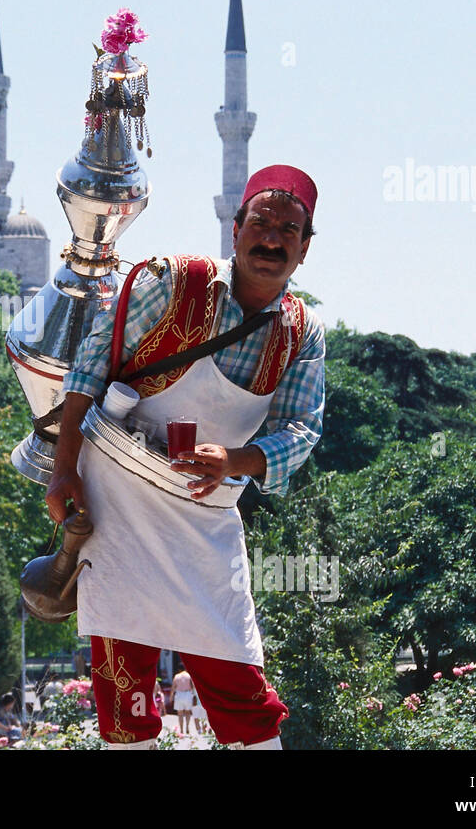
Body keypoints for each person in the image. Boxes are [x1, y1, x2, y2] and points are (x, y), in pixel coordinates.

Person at [47, 165, 325, 750]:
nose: (272, 239)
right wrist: (64, 466)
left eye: (288, 231)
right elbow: (91, 365)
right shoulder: (175, 282)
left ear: (304, 248)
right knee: (124, 697)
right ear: (235, 229)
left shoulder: (301, 331)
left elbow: (302, 429)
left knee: (239, 687)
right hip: (115, 503)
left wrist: (236, 460)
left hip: (205, 516)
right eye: (261, 224)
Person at [172, 668, 194, 735]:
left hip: (179, 694)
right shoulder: (189, 676)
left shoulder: (176, 676)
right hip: (187, 693)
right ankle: (187, 726)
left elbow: (173, 687)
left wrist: (171, 696)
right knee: (188, 712)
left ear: (179, 670)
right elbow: (193, 686)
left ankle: (181, 729)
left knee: (180, 714)